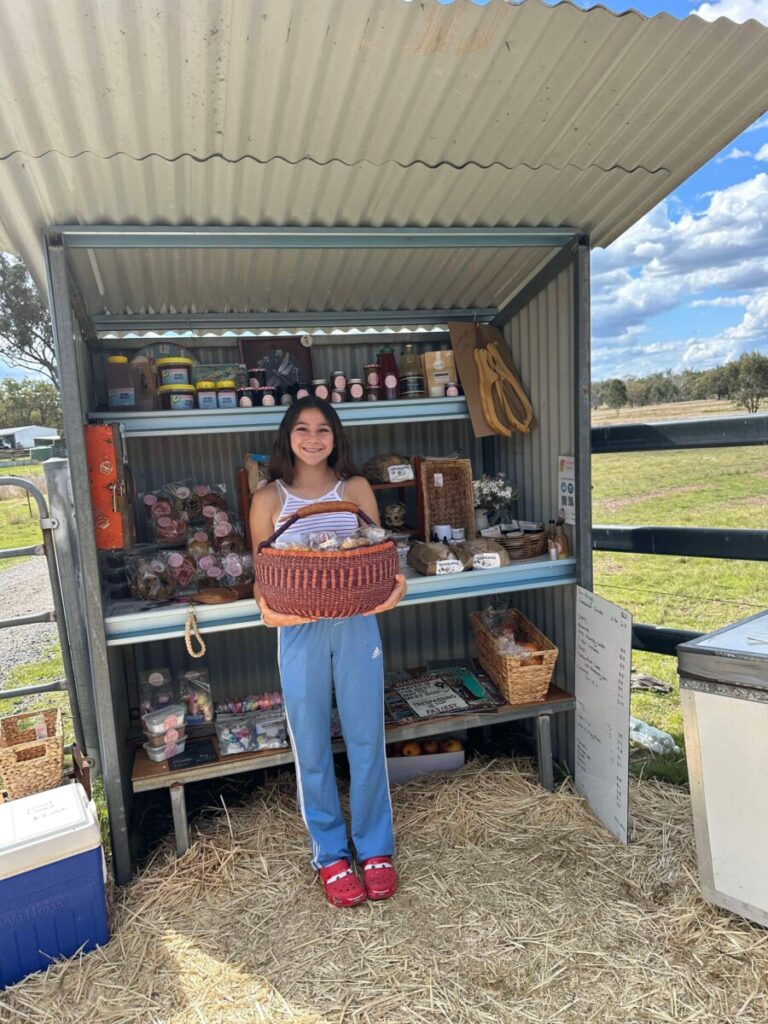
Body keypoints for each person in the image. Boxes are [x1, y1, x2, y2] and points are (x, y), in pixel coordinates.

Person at [250, 395, 407, 907]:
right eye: (302, 429)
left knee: (366, 738)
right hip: (298, 632)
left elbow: (378, 552)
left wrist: (394, 586)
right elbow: (264, 579)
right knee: (312, 744)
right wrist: (272, 612)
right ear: (287, 437)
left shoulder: (356, 488)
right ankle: (331, 855)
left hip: (358, 624)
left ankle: (376, 848)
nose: (313, 438)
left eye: (323, 429)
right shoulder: (268, 499)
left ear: (335, 436)